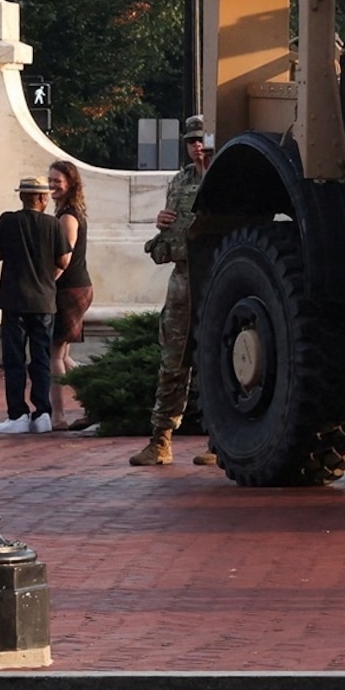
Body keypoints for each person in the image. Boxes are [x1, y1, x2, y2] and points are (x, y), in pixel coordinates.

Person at [132, 116, 220, 468]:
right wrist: (161, 224)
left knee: (216, 359)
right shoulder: (179, 181)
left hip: (217, 278)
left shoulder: (229, 177)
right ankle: (160, 440)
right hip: (183, 278)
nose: (196, 146)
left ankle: (219, 440)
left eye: (202, 140)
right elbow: (170, 229)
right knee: (172, 360)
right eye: (191, 141)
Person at [0, 176, 66, 434]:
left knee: (14, 359)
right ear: (43, 198)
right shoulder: (53, 224)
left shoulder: (7, 220)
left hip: (13, 299)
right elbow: (64, 260)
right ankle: (43, 412)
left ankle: (17, 414)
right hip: (44, 300)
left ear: (22, 197)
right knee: (41, 357)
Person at [48, 159, 96, 434]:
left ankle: (58, 416)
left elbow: (64, 258)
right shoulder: (66, 211)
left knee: (54, 351)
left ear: (70, 183)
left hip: (71, 288)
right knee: (62, 353)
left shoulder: (68, 216)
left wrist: (45, 282)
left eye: (58, 180)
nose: (53, 185)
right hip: (72, 288)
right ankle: (95, 395)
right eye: (50, 180)